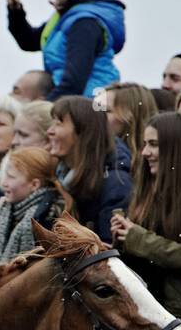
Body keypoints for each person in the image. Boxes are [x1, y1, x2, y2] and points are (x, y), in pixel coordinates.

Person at [109, 113, 181, 330]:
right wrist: (121, 237)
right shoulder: (146, 189)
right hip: (144, 306)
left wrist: (138, 239)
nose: (145, 152)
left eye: (154, 145)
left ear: (175, 148)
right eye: (145, 144)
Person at [5, 0, 127, 99]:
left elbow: (74, 82)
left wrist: (44, 111)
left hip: (90, 105)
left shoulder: (85, 23)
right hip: (74, 102)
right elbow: (28, 41)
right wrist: (15, 8)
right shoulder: (67, 19)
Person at [47, 95, 131, 241]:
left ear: (84, 132)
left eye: (59, 123)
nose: (50, 131)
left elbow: (109, 250)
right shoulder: (55, 176)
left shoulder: (115, 184)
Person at [0, 146, 70, 264]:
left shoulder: (50, 217)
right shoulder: (7, 210)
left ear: (34, 184)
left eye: (11, 177)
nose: (4, 182)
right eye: (5, 175)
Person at [103, 82, 158, 168]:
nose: (97, 116)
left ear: (132, 117)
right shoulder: (91, 155)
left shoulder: (153, 164)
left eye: (107, 111)